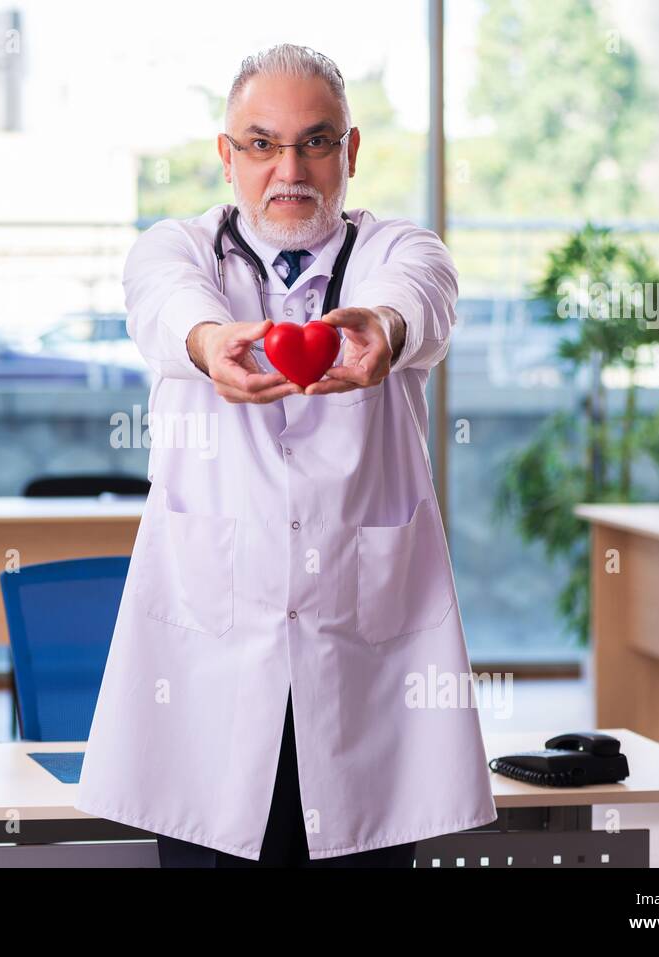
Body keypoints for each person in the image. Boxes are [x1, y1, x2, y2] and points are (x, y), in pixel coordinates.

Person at [74, 43, 497, 867]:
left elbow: (426, 295)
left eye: (315, 140)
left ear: (351, 151)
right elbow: (163, 299)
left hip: (366, 677)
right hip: (209, 679)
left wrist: (383, 328)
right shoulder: (179, 251)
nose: (289, 167)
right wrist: (208, 341)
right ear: (226, 156)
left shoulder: (394, 252)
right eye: (262, 143)